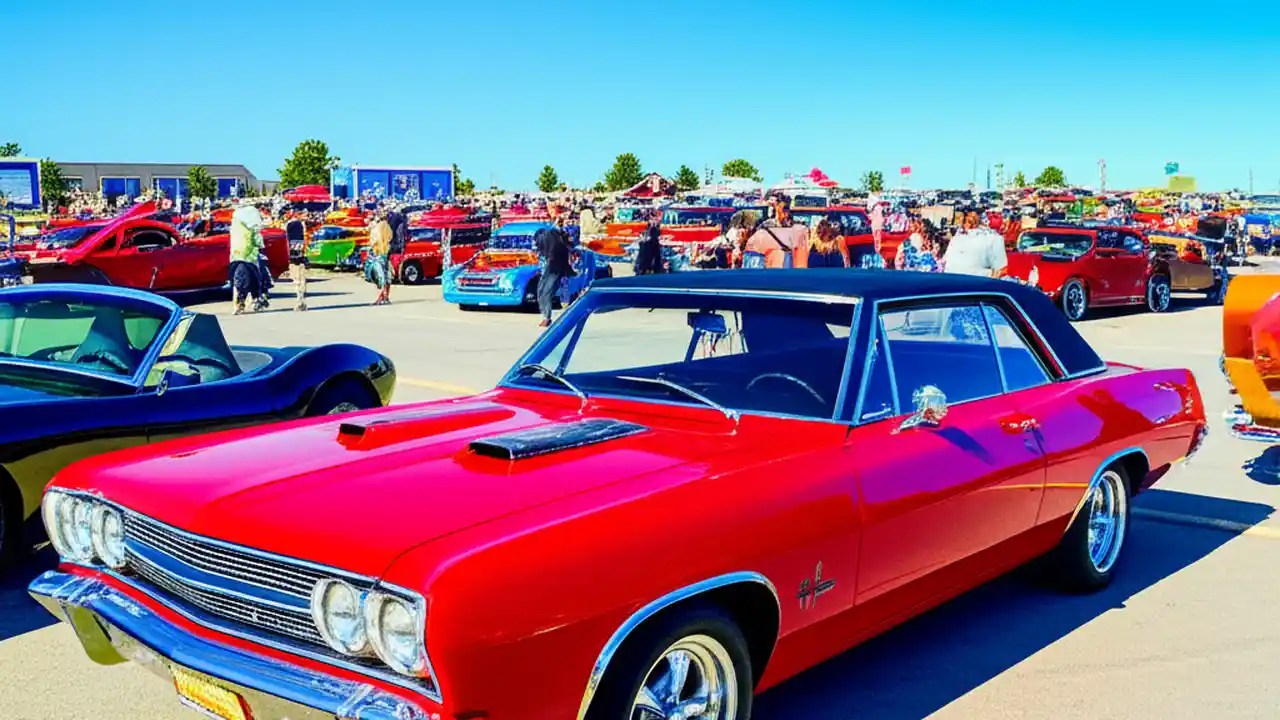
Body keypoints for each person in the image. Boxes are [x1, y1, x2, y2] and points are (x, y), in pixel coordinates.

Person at [744, 195, 809, 268]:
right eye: (784, 209)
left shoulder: (792, 226)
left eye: (787, 210)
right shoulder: (767, 225)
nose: (785, 213)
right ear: (777, 207)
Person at [534, 217, 576, 327]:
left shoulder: (554, 236)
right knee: (543, 290)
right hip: (552, 267)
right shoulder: (552, 235)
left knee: (546, 291)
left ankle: (546, 317)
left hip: (555, 267)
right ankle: (546, 315)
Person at [944, 211, 1007, 277]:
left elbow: (946, 264)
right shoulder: (994, 238)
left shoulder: (955, 239)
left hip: (951, 281)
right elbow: (1002, 271)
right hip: (979, 283)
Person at [228, 202, 265, 314]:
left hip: (236, 254)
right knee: (253, 280)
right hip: (249, 256)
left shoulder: (236, 221)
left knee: (238, 281)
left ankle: (237, 304)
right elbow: (257, 239)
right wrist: (261, 245)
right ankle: (253, 301)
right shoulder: (251, 224)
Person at [367, 213, 393, 305]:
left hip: (380, 254)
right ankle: (384, 296)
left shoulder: (379, 227)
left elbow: (375, 241)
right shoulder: (387, 226)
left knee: (382, 276)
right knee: (386, 276)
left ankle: (383, 297)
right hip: (385, 253)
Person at [285, 213, 308, 311]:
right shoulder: (300, 225)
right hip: (299, 251)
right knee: (301, 276)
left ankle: (299, 299)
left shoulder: (289, 225)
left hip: (292, 252)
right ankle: (301, 299)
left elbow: (286, 237)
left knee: (296, 278)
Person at [633, 211, 666, 275]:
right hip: (647, 248)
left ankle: (653, 269)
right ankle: (643, 269)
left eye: (655, 219)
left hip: (654, 246)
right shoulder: (646, 228)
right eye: (651, 219)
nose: (653, 221)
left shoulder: (658, 228)